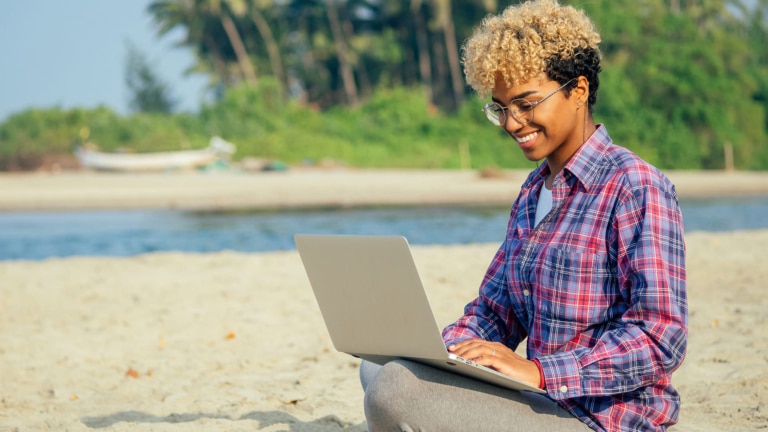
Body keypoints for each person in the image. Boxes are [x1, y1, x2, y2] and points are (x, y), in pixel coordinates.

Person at [359, 0, 688, 430]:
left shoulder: (636, 186)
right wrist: (447, 353)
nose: (513, 123)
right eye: (500, 108)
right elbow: (496, 312)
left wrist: (540, 372)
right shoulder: (534, 191)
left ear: (579, 91)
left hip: (599, 417)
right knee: (380, 365)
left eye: (526, 104)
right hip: (541, 401)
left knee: (394, 390)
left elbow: (661, 336)